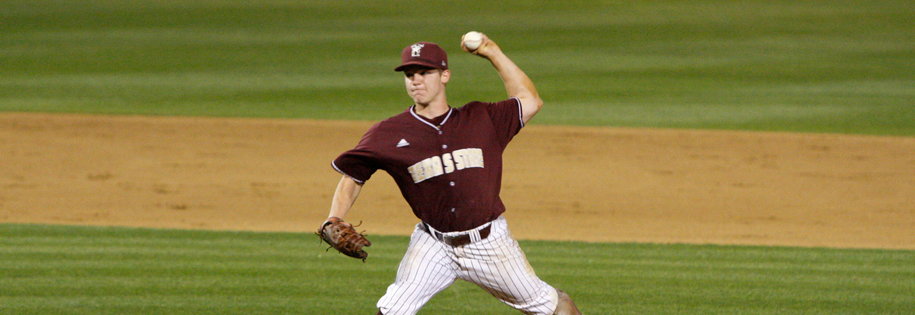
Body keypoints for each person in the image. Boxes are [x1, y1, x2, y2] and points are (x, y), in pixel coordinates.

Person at [321, 33, 581, 315]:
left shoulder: (481, 119)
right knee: (391, 311)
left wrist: (493, 52)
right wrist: (334, 218)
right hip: (432, 243)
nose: (415, 80)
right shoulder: (388, 133)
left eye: (424, 72)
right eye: (409, 74)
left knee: (553, 308)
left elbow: (530, 100)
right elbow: (353, 176)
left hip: (489, 244)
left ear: (445, 76)